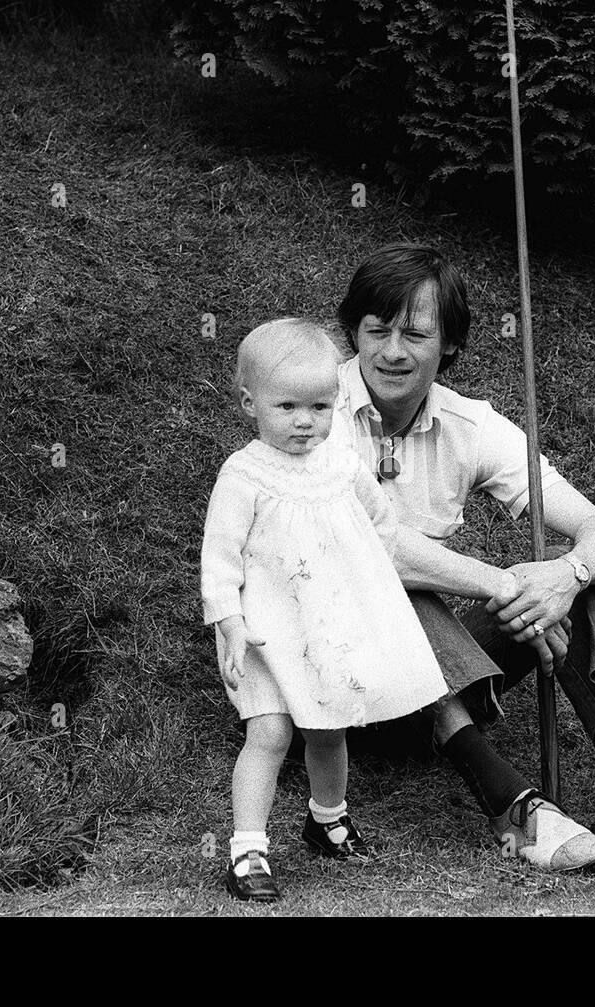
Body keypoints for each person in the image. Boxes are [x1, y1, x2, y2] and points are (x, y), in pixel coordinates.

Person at [327, 243, 595, 866]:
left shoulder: (470, 425)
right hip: (335, 690)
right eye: (375, 330)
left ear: (450, 347)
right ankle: (514, 806)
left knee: (583, 575)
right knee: (401, 590)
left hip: (431, 685)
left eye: (414, 334)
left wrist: (563, 577)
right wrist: (504, 585)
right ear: (354, 331)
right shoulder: (315, 408)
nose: (391, 351)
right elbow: (369, 545)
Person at [200, 317, 468, 901]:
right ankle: (248, 851)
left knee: (329, 730)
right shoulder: (244, 475)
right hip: (267, 635)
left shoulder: (342, 465)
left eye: (320, 407)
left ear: (336, 402)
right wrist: (229, 622)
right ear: (251, 403)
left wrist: (360, 580)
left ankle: (328, 819)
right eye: (288, 406)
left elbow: (378, 523)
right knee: (269, 732)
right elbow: (220, 559)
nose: (305, 421)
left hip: (327, 630)